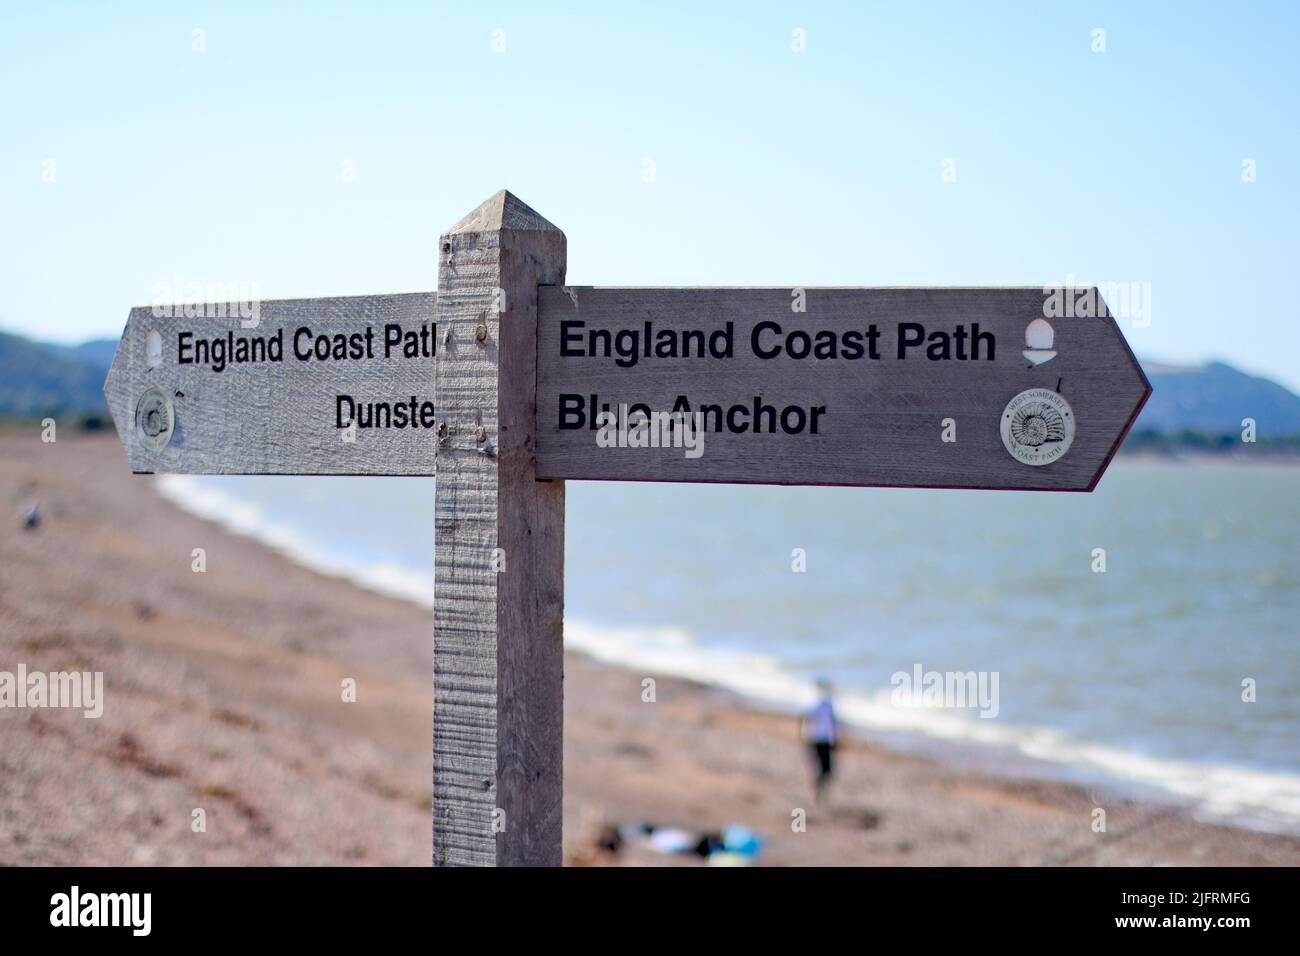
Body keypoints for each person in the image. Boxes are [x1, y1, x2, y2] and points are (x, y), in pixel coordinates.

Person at [802, 678, 838, 801]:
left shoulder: (829, 705)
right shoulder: (817, 705)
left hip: (826, 740)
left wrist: (835, 738)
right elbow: (807, 720)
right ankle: (817, 790)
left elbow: (833, 724)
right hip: (817, 739)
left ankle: (819, 790)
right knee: (821, 766)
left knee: (827, 768)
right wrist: (806, 735)